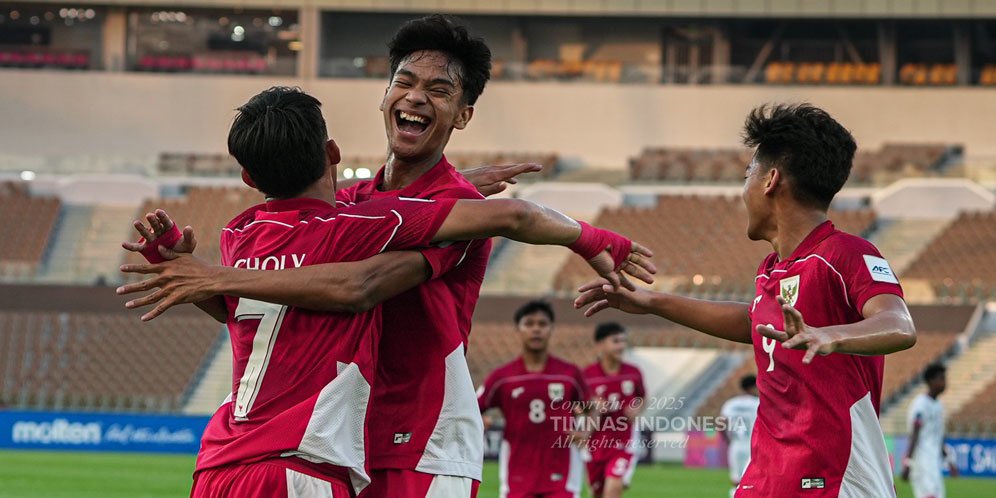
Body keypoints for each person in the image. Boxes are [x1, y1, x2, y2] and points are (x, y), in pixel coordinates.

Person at [118, 16, 654, 497]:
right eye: (405, 81)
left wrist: (591, 238)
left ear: (462, 115)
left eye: (438, 91)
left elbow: (366, 282)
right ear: (384, 96)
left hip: (422, 444)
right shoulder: (351, 208)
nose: (417, 97)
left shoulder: (450, 212)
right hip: (340, 445)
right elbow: (265, 305)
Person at [575, 103, 917, 497]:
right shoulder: (772, 268)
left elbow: (899, 324)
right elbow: (752, 323)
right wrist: (653, 302)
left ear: (770, 180)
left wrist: (831, 336)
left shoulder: (846, 254)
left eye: (747, 174)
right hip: (769, 472)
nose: (743, 189)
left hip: (834, 476)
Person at [476, 300, 590, 498]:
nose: (536, 329)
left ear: (551, 329)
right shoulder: (502, 377)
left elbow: (590, 408)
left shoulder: (569, 374)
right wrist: (480, 422)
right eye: (529, 324)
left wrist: (586, 431)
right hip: (517, 471)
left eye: (542, 324)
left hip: (562, 469)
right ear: (518, 330)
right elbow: (472, 409)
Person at [580, 322, 644, 498]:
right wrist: (592, 406)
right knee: (597, 493)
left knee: (613, 487)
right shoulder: (586, 376)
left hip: (625, 441)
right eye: (616, 341)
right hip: (595, 444)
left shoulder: (633, 373)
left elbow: (642, 398)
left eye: (624, 341)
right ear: (600, 344)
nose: (621, 346)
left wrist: (636, 407)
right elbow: (576, 407)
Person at [902, 363, 958, 498]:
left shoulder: (938, 405)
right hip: (922, 460)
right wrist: (908, 462)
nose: (944, 382)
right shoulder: (920, 404)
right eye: (941, 379)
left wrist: (949, 460)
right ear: (930, 381)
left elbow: (938, 438)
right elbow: (914, 434)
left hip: (933, 461)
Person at [719, 374, 760, 498]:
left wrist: (728, 440)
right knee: (753, 482)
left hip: (736, 444)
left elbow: (721, 425)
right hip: (753, 446)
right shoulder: (758, 402)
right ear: (752, 387)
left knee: (735, 482)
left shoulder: (731, 404)